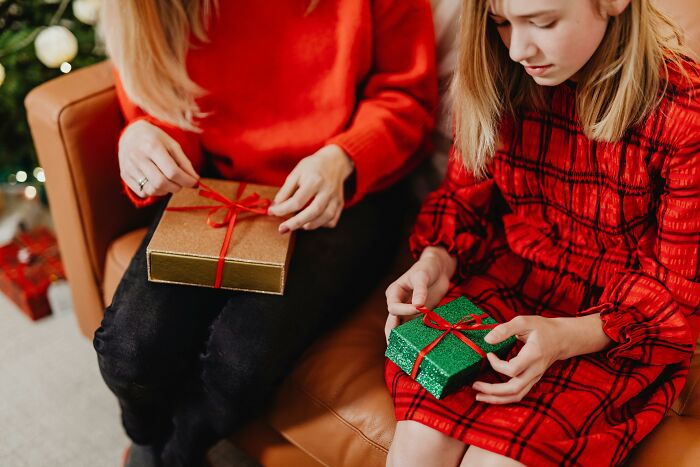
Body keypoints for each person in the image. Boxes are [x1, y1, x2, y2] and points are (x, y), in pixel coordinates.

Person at [93, 1, 437, 466]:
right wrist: (145, 136)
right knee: (130, 351)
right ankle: (150, 438)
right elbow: (163, 99)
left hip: (346, 185)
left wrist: (345, 157)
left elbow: (408, 97)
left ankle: (175, 452)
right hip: (217, 179)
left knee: (241, 361)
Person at [384, 0, 699, 465]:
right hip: (509, 285)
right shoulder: (496, 71)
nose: (517, 49)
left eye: (543, 21)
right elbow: (463, 201)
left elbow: (677, 291)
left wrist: (566, 337)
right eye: (502, 24)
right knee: (417, 447)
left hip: (612, 327)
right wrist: (436, 261)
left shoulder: (685, 116)